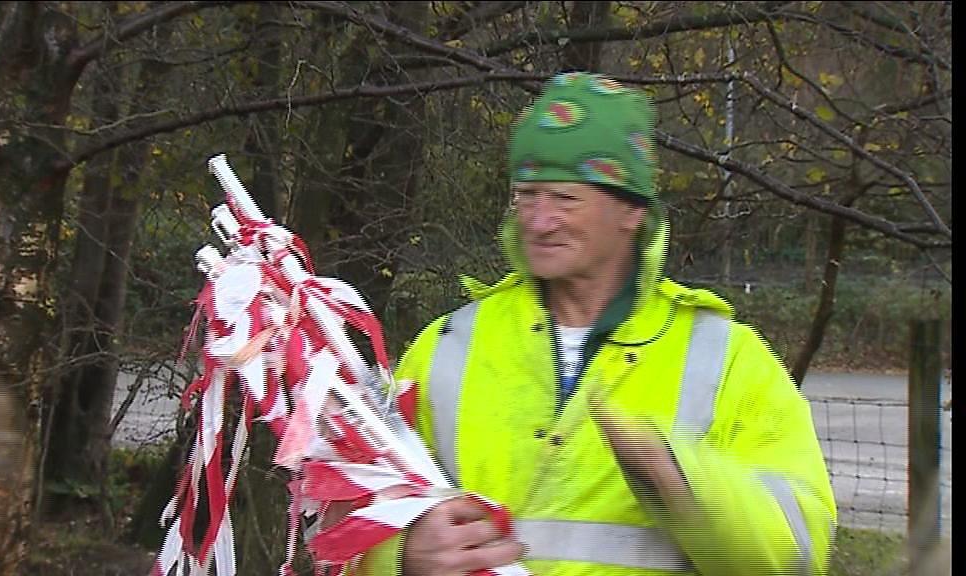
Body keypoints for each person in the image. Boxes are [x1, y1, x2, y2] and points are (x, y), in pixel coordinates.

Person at [346, 71, 837, 575]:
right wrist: (402, 558)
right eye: (527, 195)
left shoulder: (725, 356)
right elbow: (352, 507)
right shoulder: (448, 344)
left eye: (563, 198)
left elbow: (798, 553)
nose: (538, 220)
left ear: (631, 212)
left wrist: (682, 480)